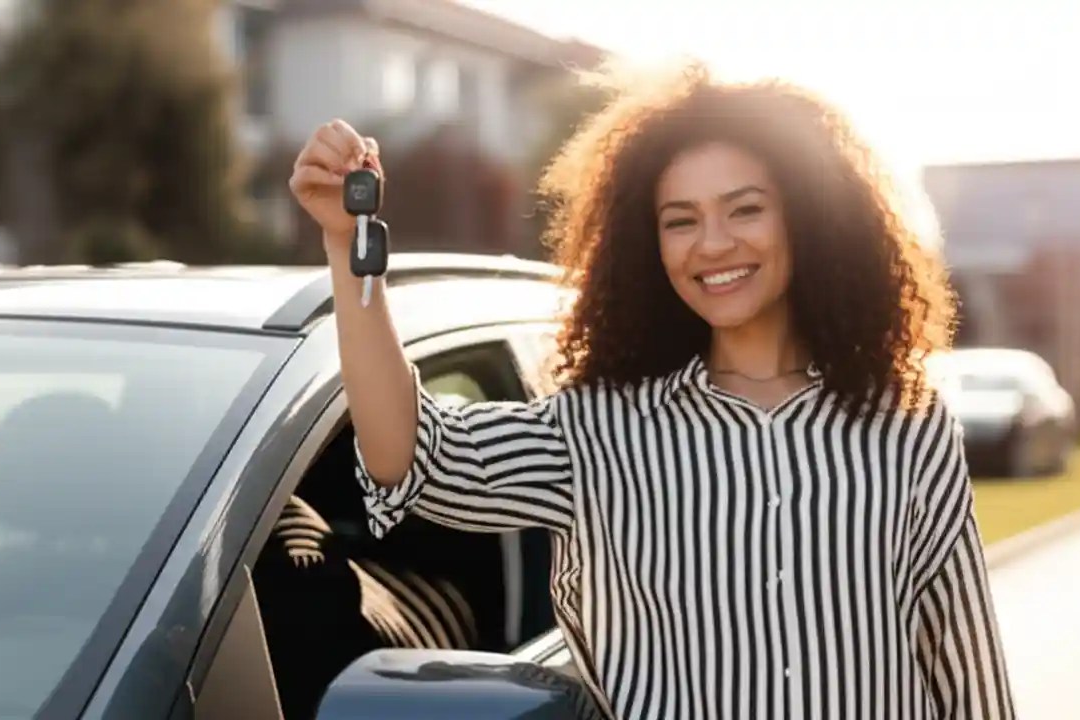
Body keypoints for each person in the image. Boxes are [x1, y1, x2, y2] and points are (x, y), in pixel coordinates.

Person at [288, 62, 1015, 720]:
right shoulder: (599, 431)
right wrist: (347, 249)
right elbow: (408, 454)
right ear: (649, 246)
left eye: (745, 209)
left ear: (808, 216)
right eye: (681, 221)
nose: (713, 243)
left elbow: (967, 673)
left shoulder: (906, 424)